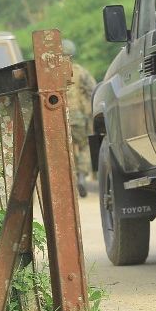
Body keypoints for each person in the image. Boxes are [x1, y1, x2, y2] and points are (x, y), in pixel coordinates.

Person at [62, 39, 97, 197]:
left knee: (63, 150)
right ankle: (82, 177)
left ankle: (66, 182)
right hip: (78, 117)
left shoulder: (50, 73)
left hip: (58, 117)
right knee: (84, 147)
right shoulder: (79, 71)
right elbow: (93, 90)